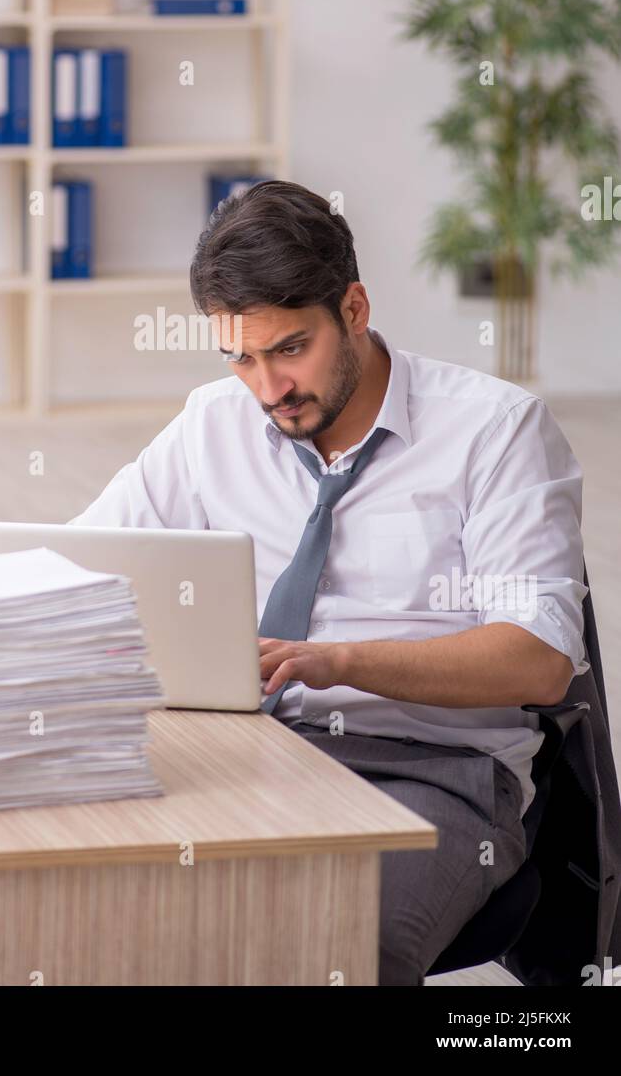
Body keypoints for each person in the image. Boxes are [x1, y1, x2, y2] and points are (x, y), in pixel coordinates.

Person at [68, 179, 589, 985]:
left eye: (287, 350)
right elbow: (77, 564)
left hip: (433, 774)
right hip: (246, 750)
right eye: (240, 357)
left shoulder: (494, 430)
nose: (267, 390)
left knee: (325, 950)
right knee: (87, 909)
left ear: (352, 309)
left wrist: (336, 660)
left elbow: (536, 659)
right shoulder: (214, 422)